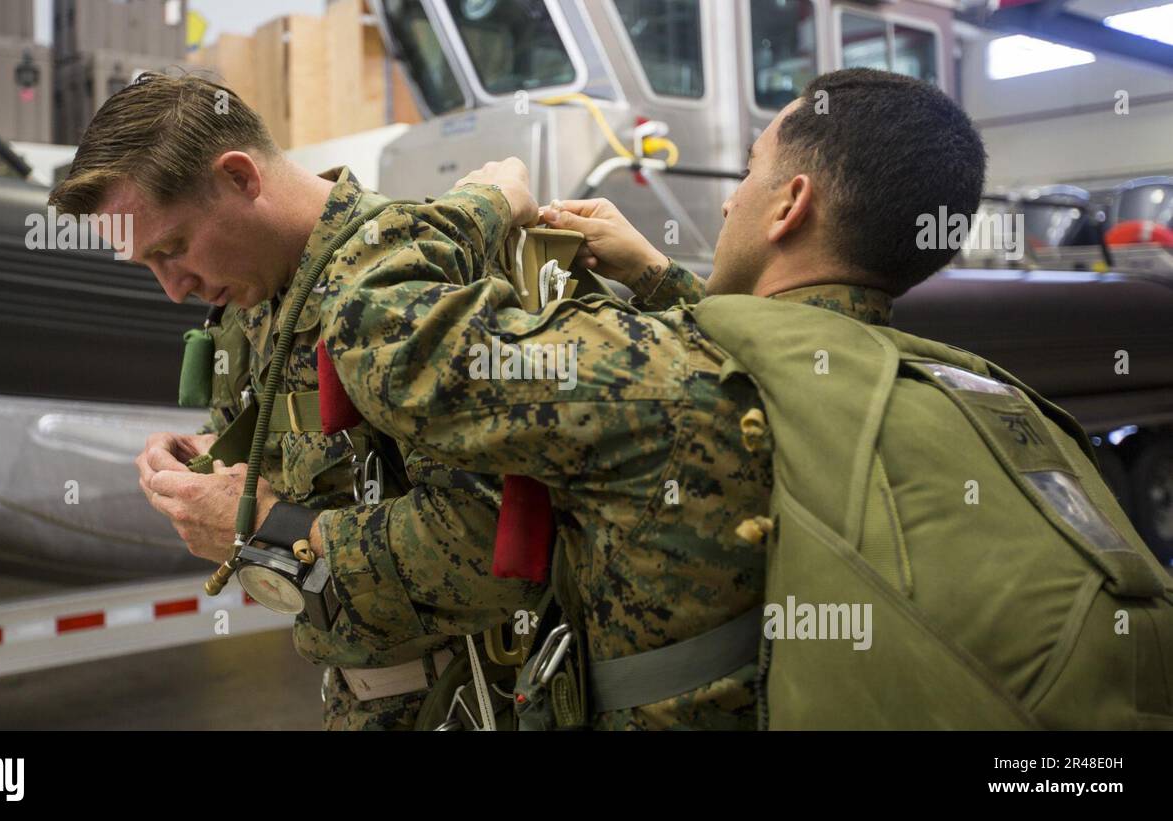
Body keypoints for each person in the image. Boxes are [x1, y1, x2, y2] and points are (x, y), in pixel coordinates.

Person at [311, 69, 1173, 729]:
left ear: (791, 203)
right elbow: (770, 347)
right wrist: (656, 276)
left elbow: (394, 338)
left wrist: (480, 202)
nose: (729, 197)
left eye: (752, 169)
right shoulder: (961, 379)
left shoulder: (655, 379)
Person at [46, 72, 538, 730]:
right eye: (147, 265)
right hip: (356, 694)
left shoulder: (389, 289)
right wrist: (205, 467)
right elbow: (290, 458)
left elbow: (494, 546)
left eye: (172, 249)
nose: (172, 289)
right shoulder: (252, 303)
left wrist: (266, 526)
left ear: (240, 178)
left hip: (464, 701)